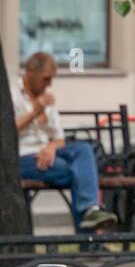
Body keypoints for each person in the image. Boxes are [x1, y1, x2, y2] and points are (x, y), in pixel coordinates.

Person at [12, 52, 118, 231]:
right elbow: (6, 132)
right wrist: (34, 113)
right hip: (22, 157)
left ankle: (90, 210)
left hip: (47, 155)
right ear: (30, 71)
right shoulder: (12, 94)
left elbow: (59, 138)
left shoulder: (47, 99)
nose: (49, 85)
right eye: (45, 79)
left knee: (83, 150)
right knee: (79, 173)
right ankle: (89, 233)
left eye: (51, 80)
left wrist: (51, 148)